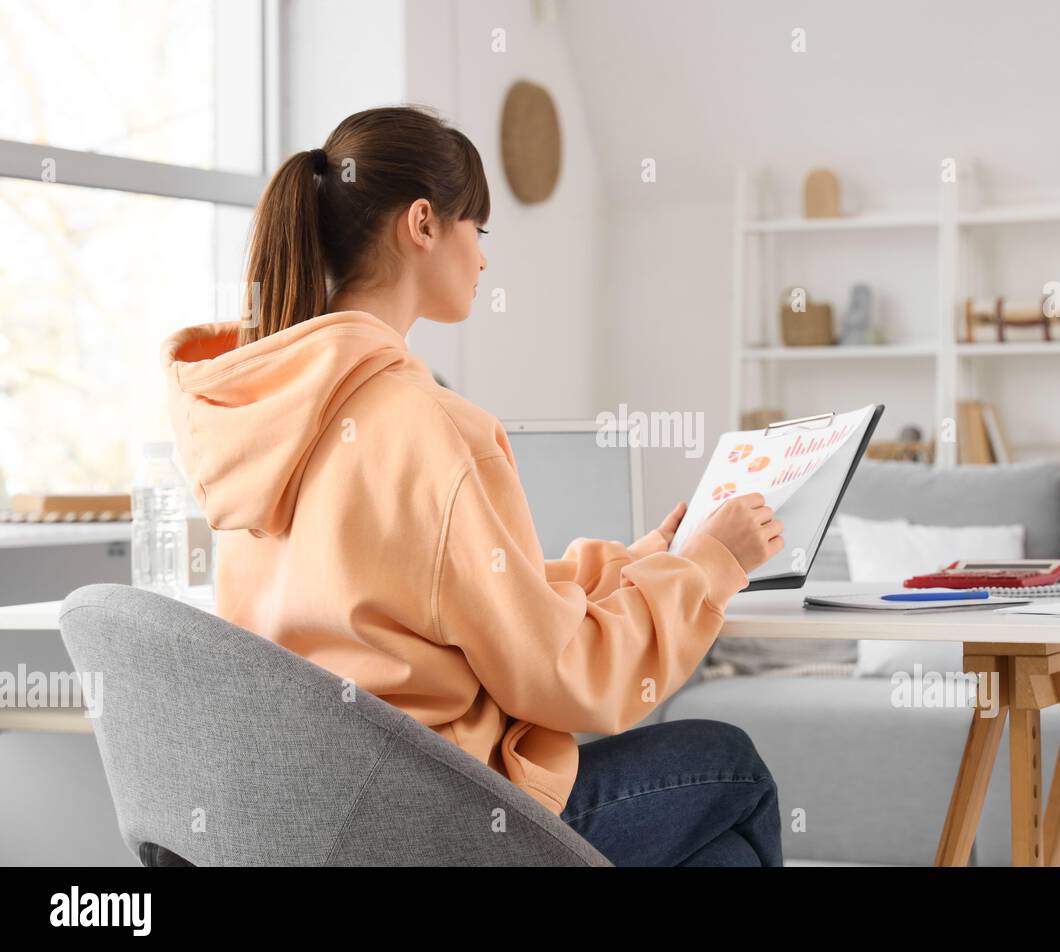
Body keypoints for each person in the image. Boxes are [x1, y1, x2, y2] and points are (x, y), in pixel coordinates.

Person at [161, 106, 784, 866]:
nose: (484, 260)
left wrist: (642, 563)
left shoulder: (254, 419)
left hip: (305, 822)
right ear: (423, 224)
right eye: (477, 230)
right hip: (439, 824)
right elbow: (560, 677)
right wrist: (711, 571)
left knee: (719, 853)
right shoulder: (433, 426)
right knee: (733, 767)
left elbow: (441, 604)